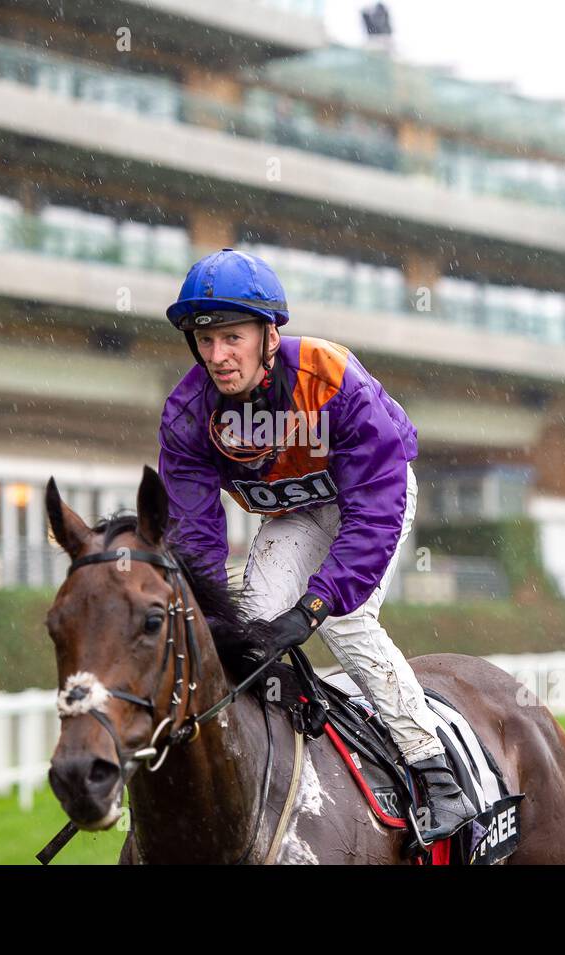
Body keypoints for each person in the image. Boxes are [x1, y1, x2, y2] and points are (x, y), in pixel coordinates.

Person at [157, 248, 477, 843]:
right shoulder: (186, 414)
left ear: (269, 335)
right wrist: (214, 620)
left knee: (345, 622)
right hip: (297, 511)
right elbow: (195, 540)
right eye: (205, 340)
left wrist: (314, 606)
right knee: (248, 622)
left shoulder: (333, 378)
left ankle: (436, 774)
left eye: (232, 338)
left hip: (371, 499)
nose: (217, 357)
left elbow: (373, 512)